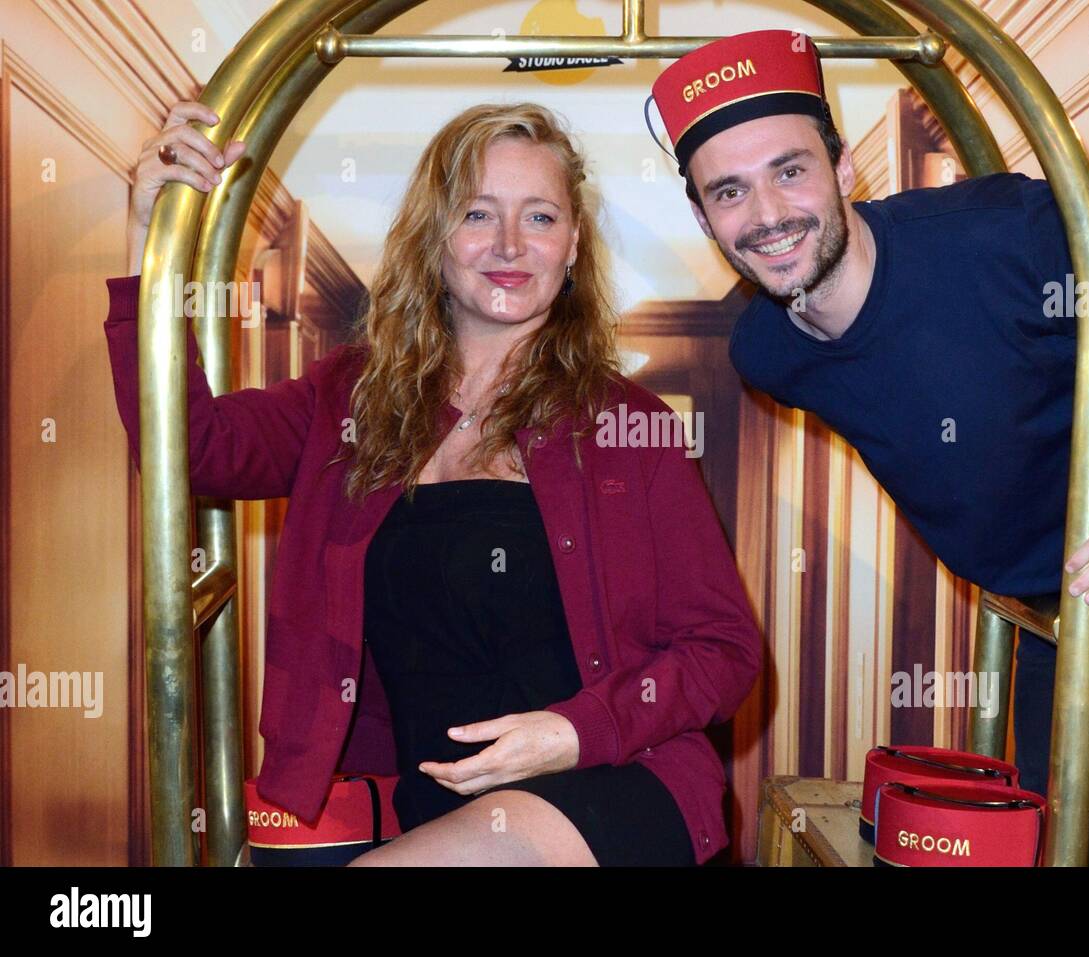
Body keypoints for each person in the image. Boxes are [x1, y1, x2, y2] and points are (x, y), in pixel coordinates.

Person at [646, 28, 1089, 865]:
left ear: (844, 172)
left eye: (790, 170)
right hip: (1064, 602)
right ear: (703, 216)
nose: (769, 215)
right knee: (1067, 851)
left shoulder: (997, 231)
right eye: (729, 192)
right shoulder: (767, 353)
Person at [106, 100, 762, 866]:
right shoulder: (346, 398)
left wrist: (572, 729)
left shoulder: (630, 425)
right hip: (430, 808)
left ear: (573, 244)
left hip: (608, 784)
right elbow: (192, 446)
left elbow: (725, 649)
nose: (511, 243)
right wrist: (149, 240)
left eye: (541, 217)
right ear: (435, 235)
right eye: (478, 213)